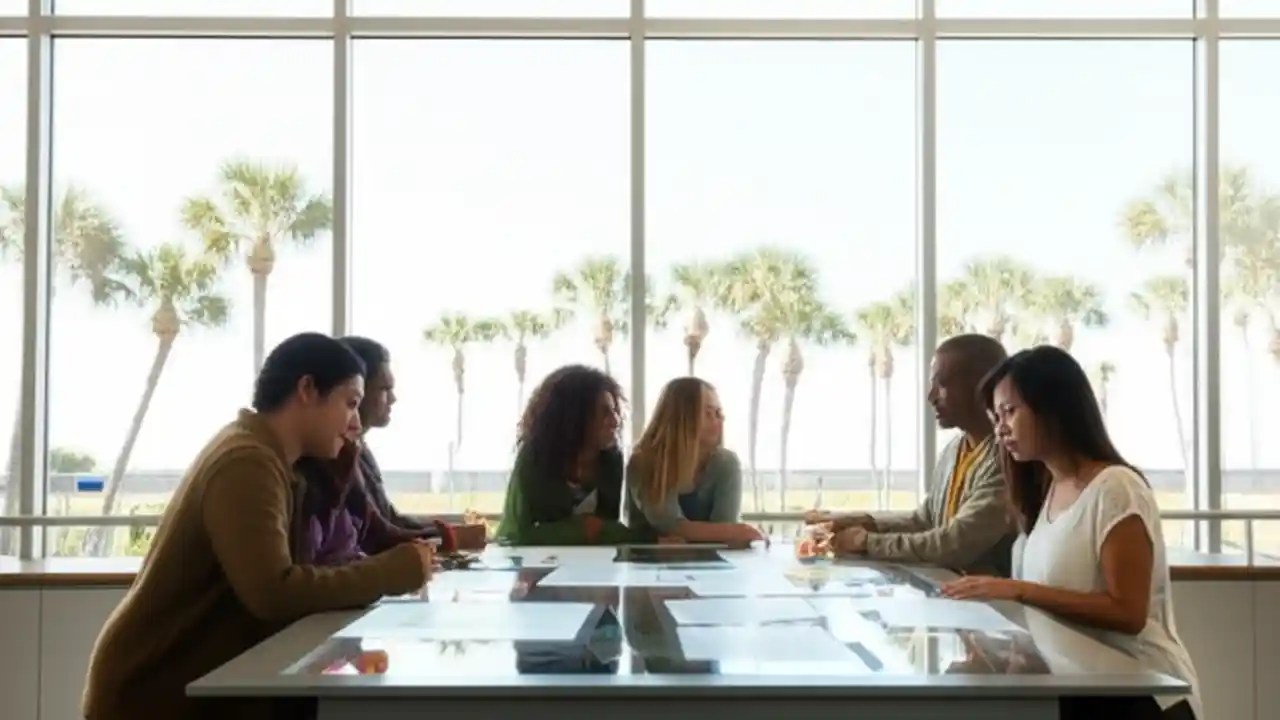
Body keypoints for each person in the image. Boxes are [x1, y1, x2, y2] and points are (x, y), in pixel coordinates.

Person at [82, 333, 435, 720]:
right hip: (154, 691)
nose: (356, 422)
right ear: (307, 389)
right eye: (350, 403)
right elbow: (273, 592)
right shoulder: (247, 461)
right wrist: (391, 572)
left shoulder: (275, 460)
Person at [940, 345, 1200, 720]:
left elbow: (1128, 613)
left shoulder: (1115, 487)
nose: (1000, 428)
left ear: (1053, 408)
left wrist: (1018, 591)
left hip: (1144, 694)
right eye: (997, 416)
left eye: (1010, 411)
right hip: (1083, 691)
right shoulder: (1044, 493)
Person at [806, 333, 1016, 576]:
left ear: (982, 385)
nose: (931, 397)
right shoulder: (954, 450)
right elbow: (924, 521)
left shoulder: (1007, 460)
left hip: (990, 598)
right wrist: (865, 522)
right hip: (947, 589)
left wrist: (866, 542)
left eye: (942, 385)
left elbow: (954, 544)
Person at [333, 335, 483, 551]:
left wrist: (447, 531)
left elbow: (389, 518)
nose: (393, 399)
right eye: (384, 389)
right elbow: (377, 536)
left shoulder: (360, 449)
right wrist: (450, 536)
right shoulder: (335, 454)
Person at [495, 364, 640, 545]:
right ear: (574, 416)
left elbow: (607, 530)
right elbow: (516, 535)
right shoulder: (534, 458)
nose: (615, 421)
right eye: (604, 413)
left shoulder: (611, 460)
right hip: (534, 561)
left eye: (615, 411)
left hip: (594, 560)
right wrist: (581, 528)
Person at [625, 377, 761, 547]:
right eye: (708, 413)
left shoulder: (726, 463)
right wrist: (734, 531)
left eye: (719, 413)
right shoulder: (644, 461)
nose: (719, 419)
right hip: (647, 558)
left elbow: (724, 526)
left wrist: (729, 532)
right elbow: (668, 524)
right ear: (681, 417)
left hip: (711, 559)